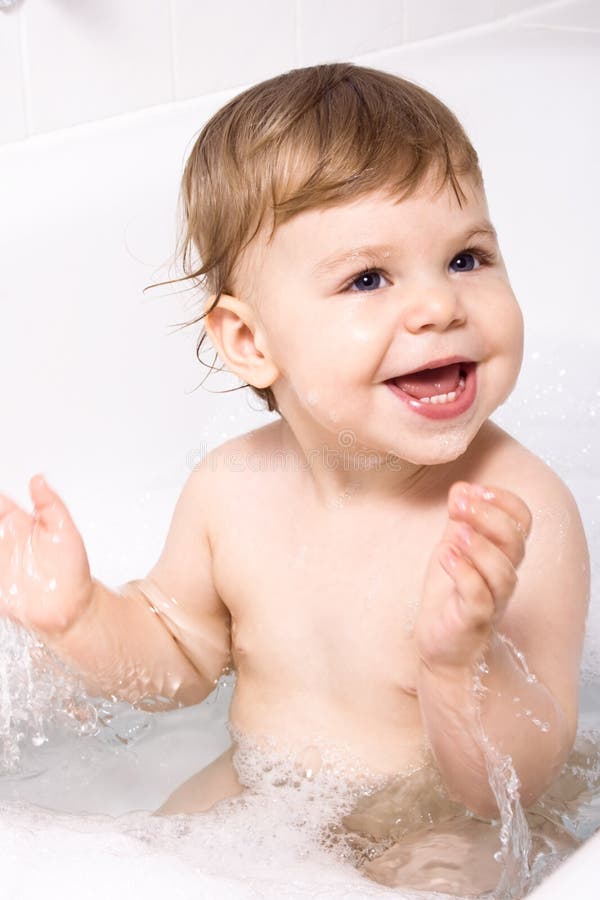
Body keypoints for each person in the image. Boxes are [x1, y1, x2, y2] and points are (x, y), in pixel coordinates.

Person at [0, 62, 589, 855]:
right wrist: (79, 618)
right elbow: (176, 661)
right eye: (369, 277)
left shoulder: (521, 512)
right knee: (136, 859)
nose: (440, 306)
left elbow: (514, 786)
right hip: (265, 795)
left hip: (443, 830)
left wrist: (462, 666)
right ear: (250, 342)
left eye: (466, 258)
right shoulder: (230, 493)